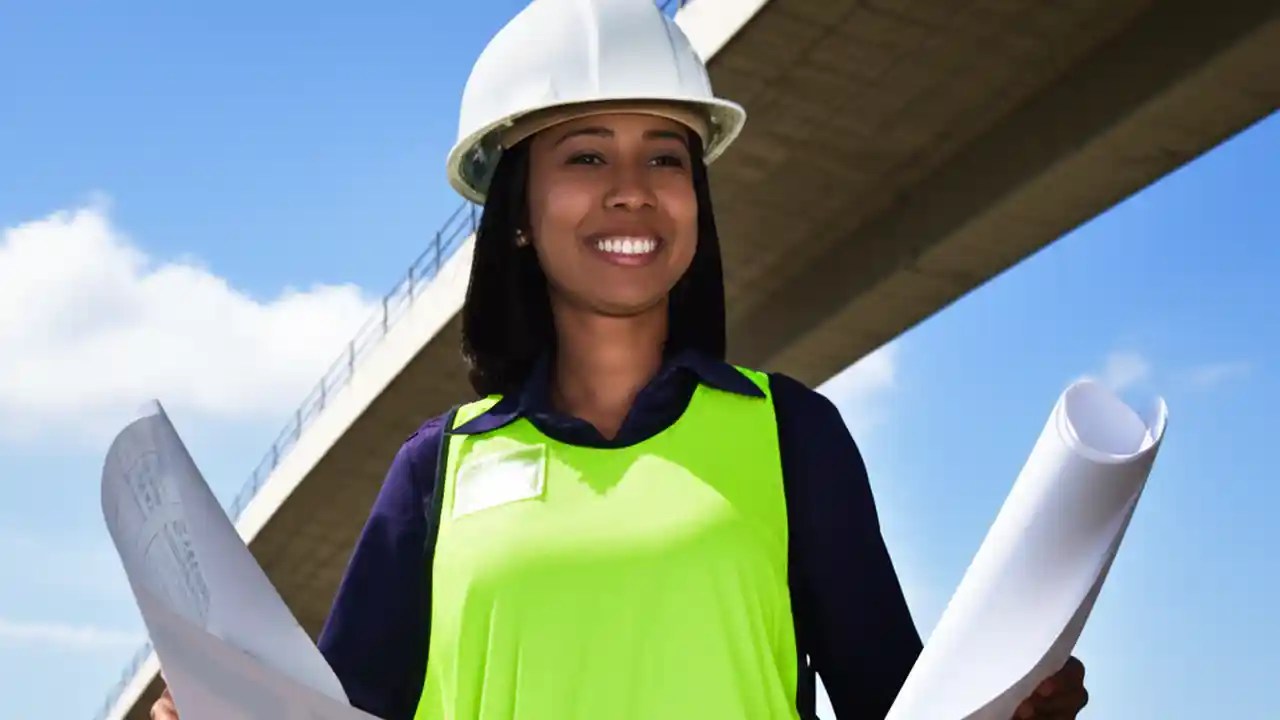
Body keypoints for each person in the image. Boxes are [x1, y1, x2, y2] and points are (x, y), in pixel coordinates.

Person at [151, 0, 1090, 718]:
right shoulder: (435, 472)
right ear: (517, 210)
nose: (633, 193)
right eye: (588, 158)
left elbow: (898, 706)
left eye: (666, 158)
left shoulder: (792, 435)